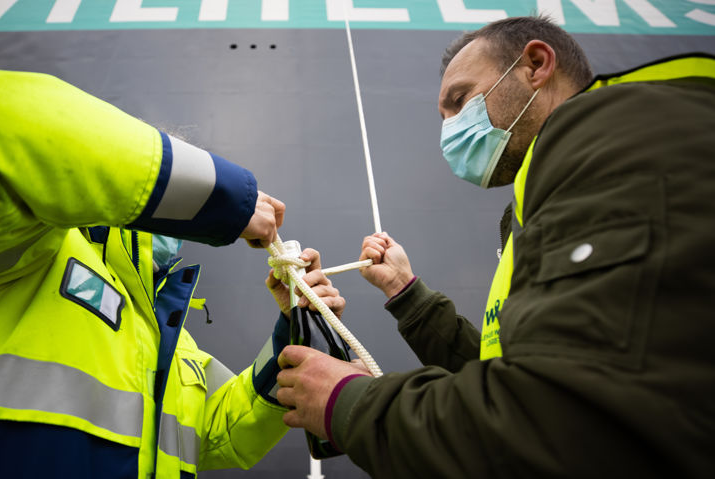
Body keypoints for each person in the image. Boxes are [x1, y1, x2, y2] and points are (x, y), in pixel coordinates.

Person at [275, 16, 715, 477]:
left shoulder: (623, 151)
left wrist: (347, 402)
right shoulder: (551, 193)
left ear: (536, 65)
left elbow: (552, 422)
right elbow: (511, 370)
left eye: (460, 100)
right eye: (443, 117)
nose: (449, 130)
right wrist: (407, 294)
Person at [0, 66, 340, 479]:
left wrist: (293, 331)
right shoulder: (19, 248)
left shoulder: (166, 339)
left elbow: (220, 432)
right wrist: (226, 201)